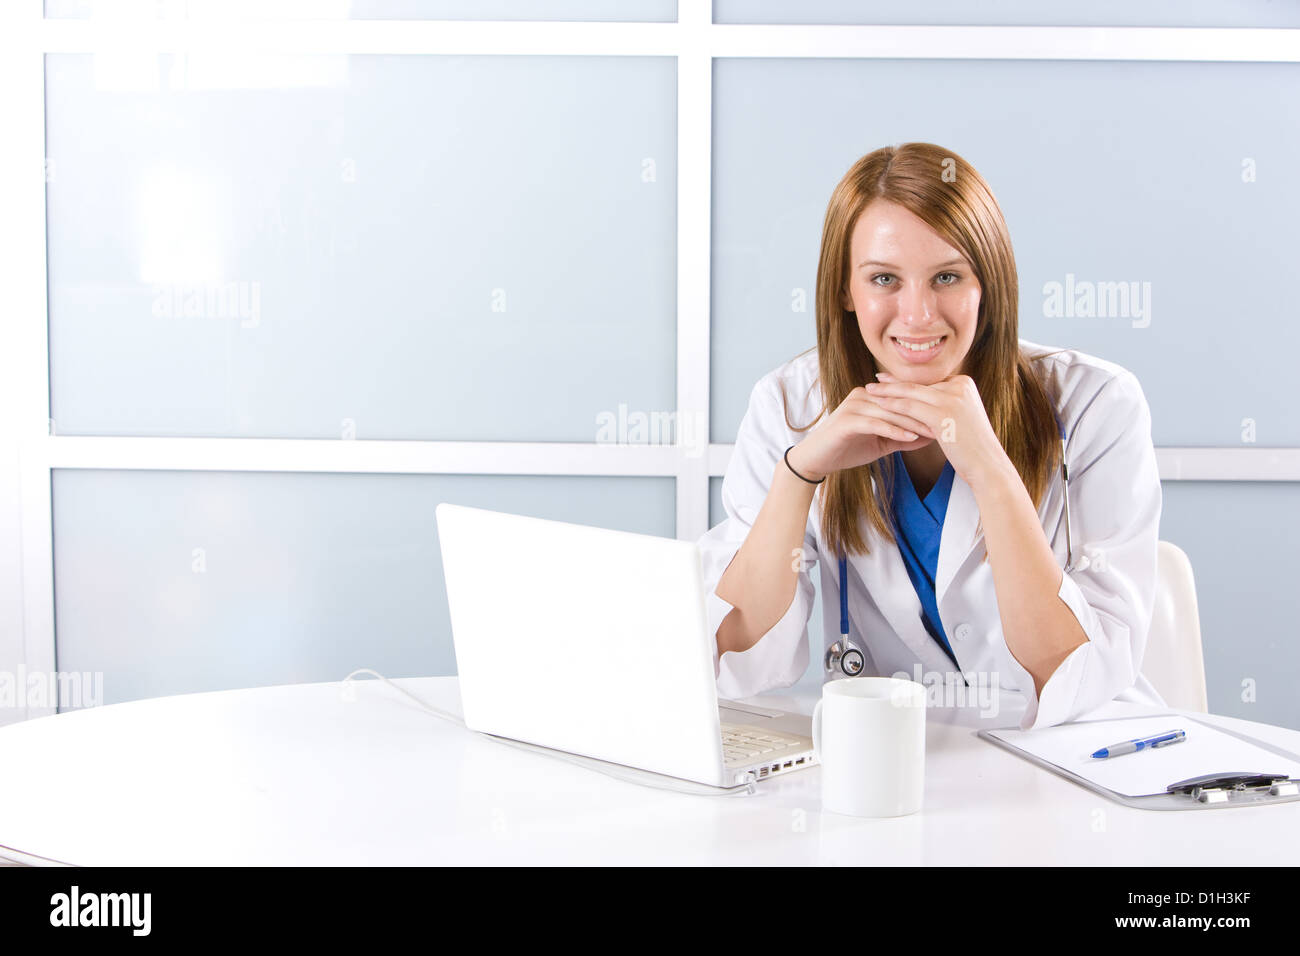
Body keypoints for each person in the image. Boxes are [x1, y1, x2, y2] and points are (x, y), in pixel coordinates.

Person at [700, 142, 1164, 730]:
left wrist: (990, 471)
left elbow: (1069, 671)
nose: (918, 314)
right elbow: (735, 652)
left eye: (947, 276)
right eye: (884, 279)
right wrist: (801, 473)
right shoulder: (790, 407)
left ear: (987, 285)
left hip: (1073, 752)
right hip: (899, 758)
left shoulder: (1095, 406)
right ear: (846, 289)